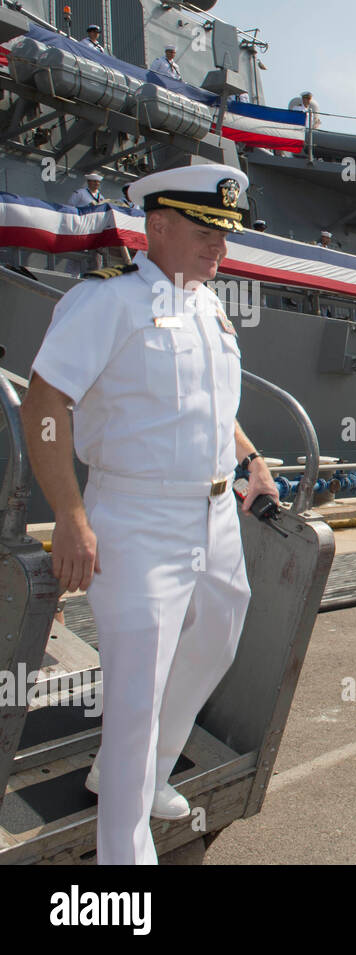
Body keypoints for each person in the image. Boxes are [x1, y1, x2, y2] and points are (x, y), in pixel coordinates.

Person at [20, 163, 278, 865]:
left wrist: (251, 458)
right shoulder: (107, 302)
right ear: (157, 226)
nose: (219, 246)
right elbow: (45, 404)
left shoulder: (207, 305)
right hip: (137, 515)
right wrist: (69, 514)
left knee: (217, 640)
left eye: (224, 233)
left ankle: (145, 769)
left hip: (214, 513)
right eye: (205, 231)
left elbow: (211, 405)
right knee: (135, 697)